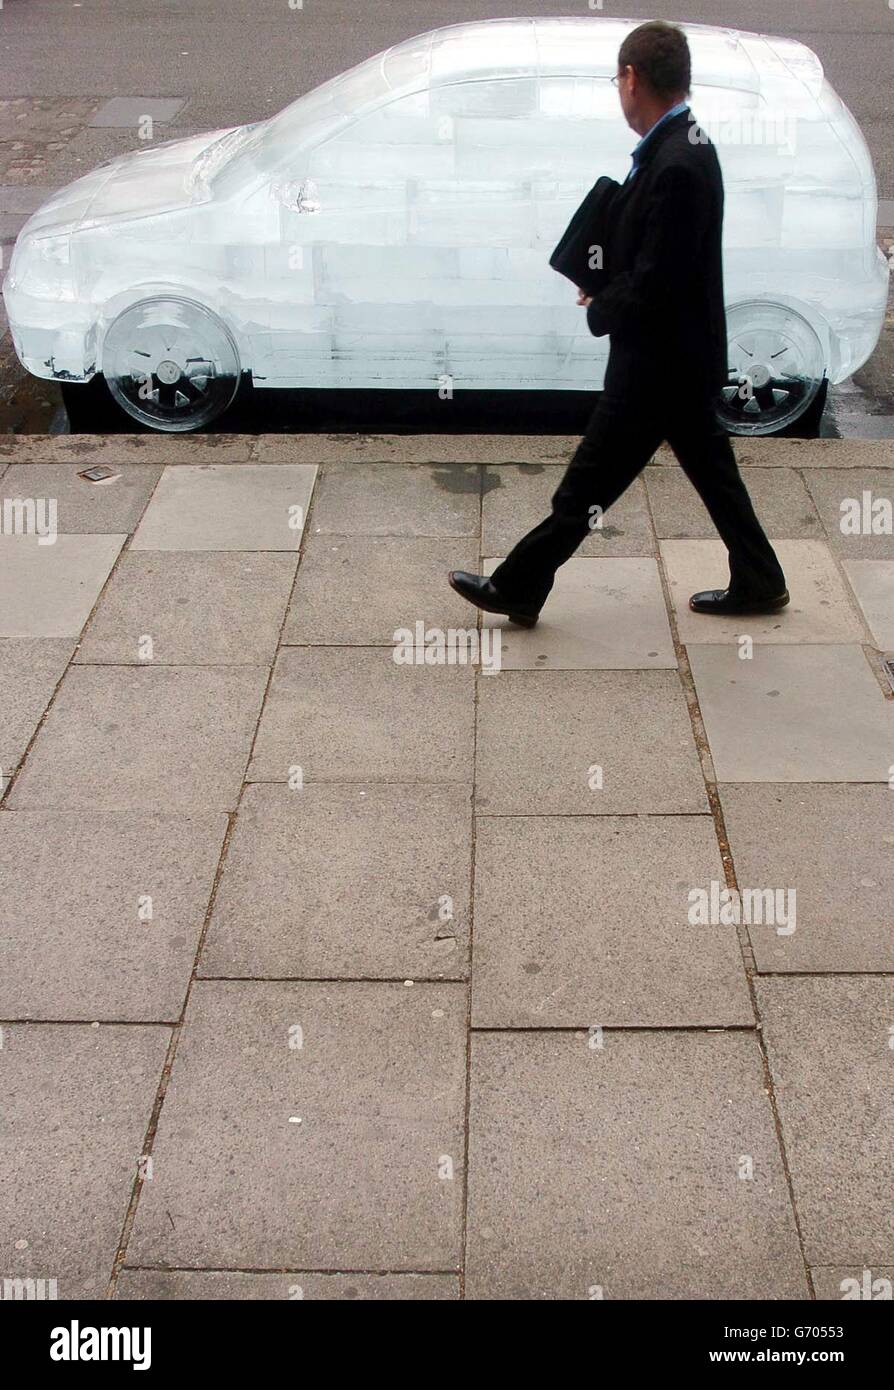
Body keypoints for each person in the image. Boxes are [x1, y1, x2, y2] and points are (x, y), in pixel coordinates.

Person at [449, 19, 788, 629]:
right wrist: (606, 271)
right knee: (713, 475)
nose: (618, 92)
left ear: (632, 78)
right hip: (681, 359)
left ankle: (518, 586)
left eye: (617, 81)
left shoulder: (676, 162)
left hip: (657, 366)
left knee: (586, 486)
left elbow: (659, 280)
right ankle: (761, 577)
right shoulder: (682, 142)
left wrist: (604, 303)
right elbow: (664, 257)